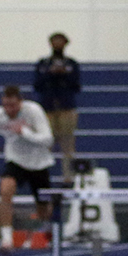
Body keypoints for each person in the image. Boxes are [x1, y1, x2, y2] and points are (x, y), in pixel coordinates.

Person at [0, 85, 54, 253]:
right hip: (15, 160)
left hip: (39, 162)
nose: (10, 110)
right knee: (5, 191)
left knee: (43, 207)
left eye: (13, 106)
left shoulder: (33, 111)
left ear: (21, 103)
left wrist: (24, 132)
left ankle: (48, 232)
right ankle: (7, 239)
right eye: (6, 106)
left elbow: (48, 140)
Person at [34, 32, 83, 183]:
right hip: (47, 109)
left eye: (60, 41)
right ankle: (42, 177)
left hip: (66, 108)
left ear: (66, 43)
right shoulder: (43, 64)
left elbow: (77, 86)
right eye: (55, 41)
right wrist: (50, 73)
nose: (57, 44)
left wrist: (63, 75)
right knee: (45, 144)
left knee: (68, 146)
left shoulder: (72, 64)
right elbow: (37, 85)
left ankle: (68, 178)